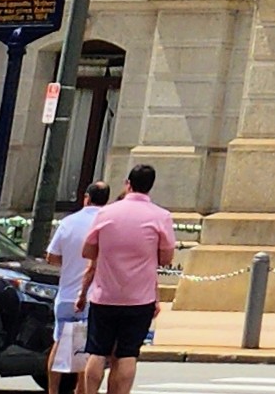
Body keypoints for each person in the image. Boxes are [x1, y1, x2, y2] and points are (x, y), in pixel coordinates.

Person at [76, 163, 176, 394]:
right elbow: (166, 258)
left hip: (105, 294)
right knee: (128, 353)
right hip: (139, 298)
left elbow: (88, 251)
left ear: (128, 184)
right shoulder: (161, 217)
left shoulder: (106, 213)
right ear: (150, 187)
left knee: (97, 352)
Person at [43, 181, 108, 394]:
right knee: (88, 349)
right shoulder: (107, 222)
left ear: (86, 198)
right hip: (94, 296)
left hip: (67, 293)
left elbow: (51, 256)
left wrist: (70, 262)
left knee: (59, 342)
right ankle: (81, 390)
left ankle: (53, 391)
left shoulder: (68, 222)